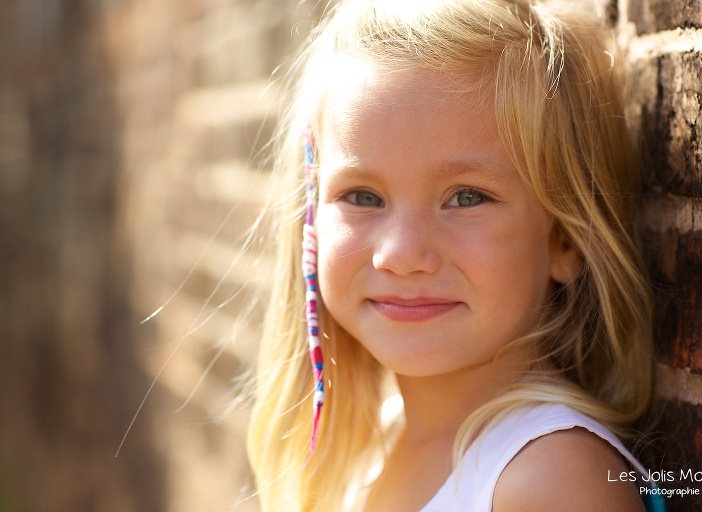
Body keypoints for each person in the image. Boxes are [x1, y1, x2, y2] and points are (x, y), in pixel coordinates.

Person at [247, 0, 666, 510]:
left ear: (566, 239)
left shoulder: (547, 480)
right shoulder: (372, 448)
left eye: (466, 197)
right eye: (362, 196)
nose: (400, 255)